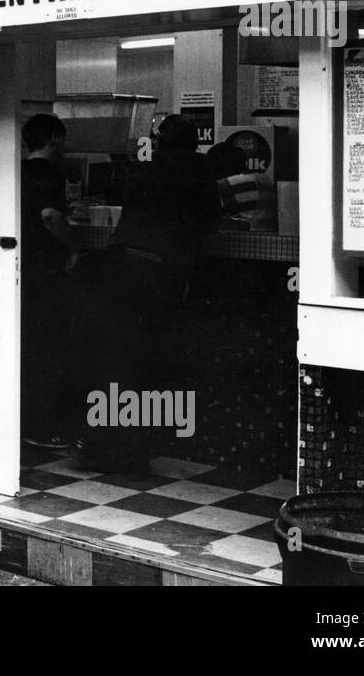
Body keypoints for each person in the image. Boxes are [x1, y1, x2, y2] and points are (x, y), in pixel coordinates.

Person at [72, 113, 221, 475]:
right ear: (195, 142)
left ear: (159, 140)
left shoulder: (143, 167)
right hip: (160, 272)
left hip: (120, 264)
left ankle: (98, 441)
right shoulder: (200, 168)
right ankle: (131, 449)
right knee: (147, 361)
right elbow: (209, 220)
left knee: (116, 357)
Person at [19, 113, 79, 449]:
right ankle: (41, 427)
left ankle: (24, 422)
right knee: (49, 349)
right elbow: (50, 215)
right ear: (55, 139)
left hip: (21, 271)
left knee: (28, 347)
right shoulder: (49, 175)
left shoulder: (18, 171)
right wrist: (75, 247)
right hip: (46, 272)